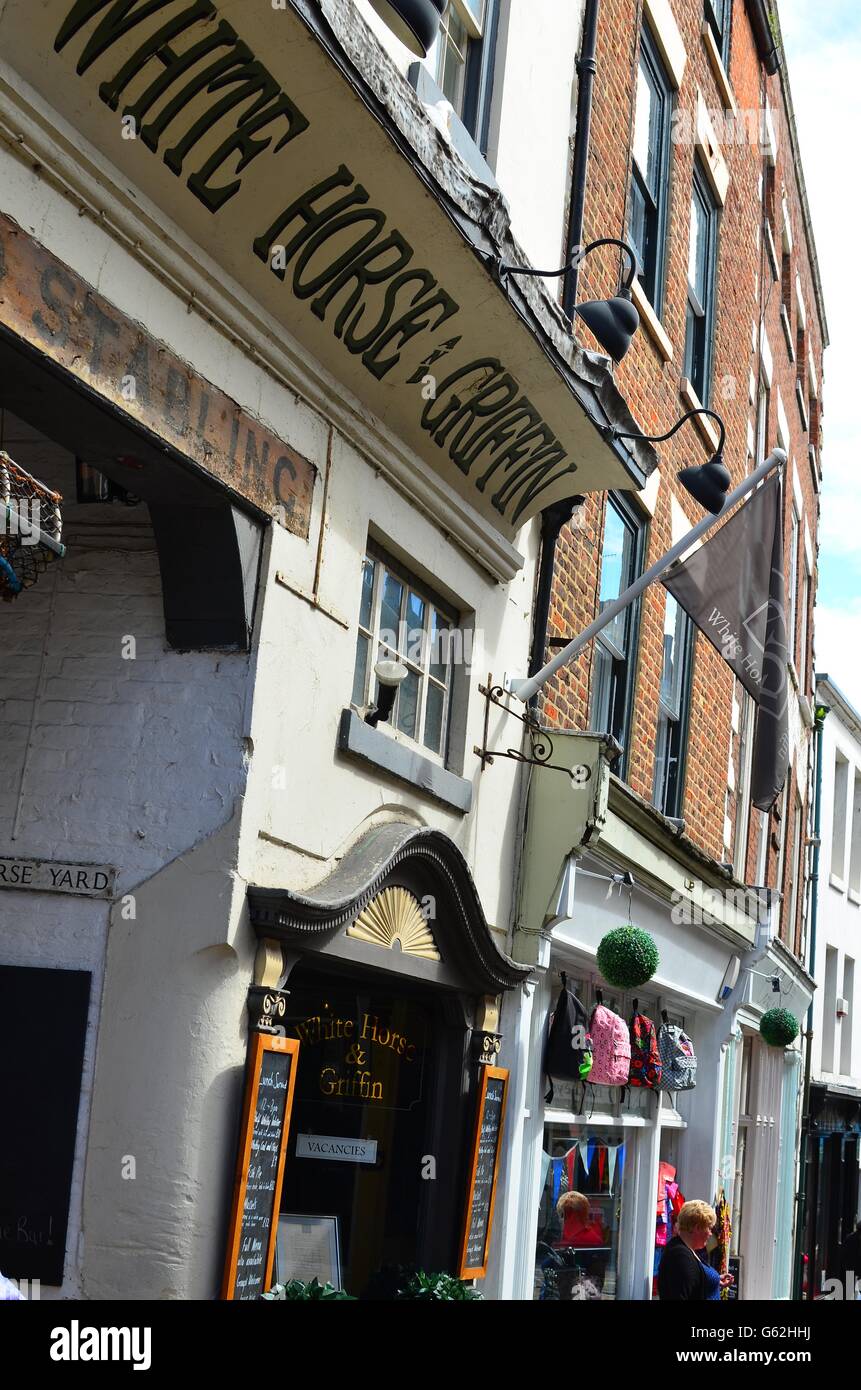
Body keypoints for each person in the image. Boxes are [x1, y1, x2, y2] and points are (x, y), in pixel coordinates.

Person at [657, 1200, 733, 1301]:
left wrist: (714, 1280)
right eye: (709, 1228)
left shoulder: (685, 1250)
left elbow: (694, 1279)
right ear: (697, 1228)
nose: (710, 1234)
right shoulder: (680, 1256)